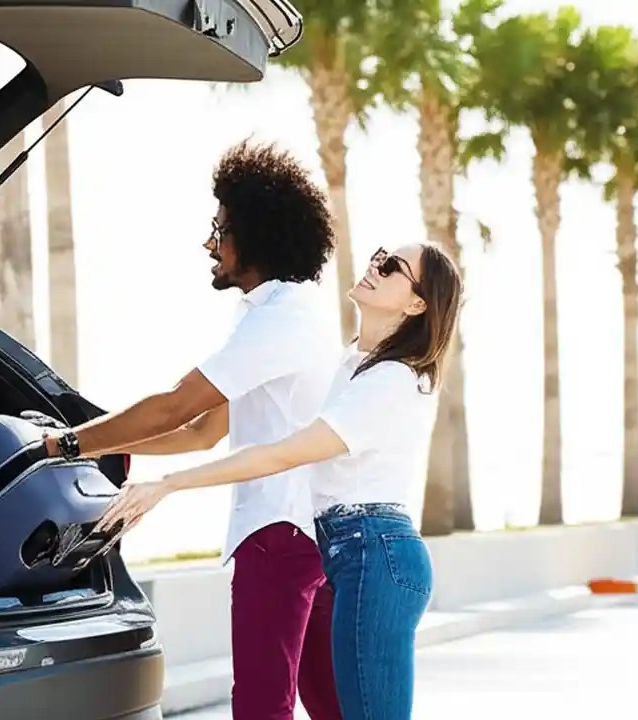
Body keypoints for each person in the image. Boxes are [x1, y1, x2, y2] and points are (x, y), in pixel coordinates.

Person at [96, 242, 464, 720]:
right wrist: (102, 441)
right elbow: (210, 430)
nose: (375, 266)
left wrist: (169, 484)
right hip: (352, 552)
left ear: (417, 303)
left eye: (392, 267)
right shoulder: (351, 365)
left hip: (377, 552)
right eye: (379, 255)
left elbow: (284, 453)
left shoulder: (391, 380)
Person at [40, 140, 341, 720]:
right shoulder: (282, 315)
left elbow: (176, 407)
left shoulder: (278, 321)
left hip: (279, 535)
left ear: (255, 236)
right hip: (303, 533)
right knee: (326, 702)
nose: (211, 243)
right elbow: (203, 432)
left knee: (261, 705)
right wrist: (97, 446)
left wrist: (69, 442)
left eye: (220, 228)